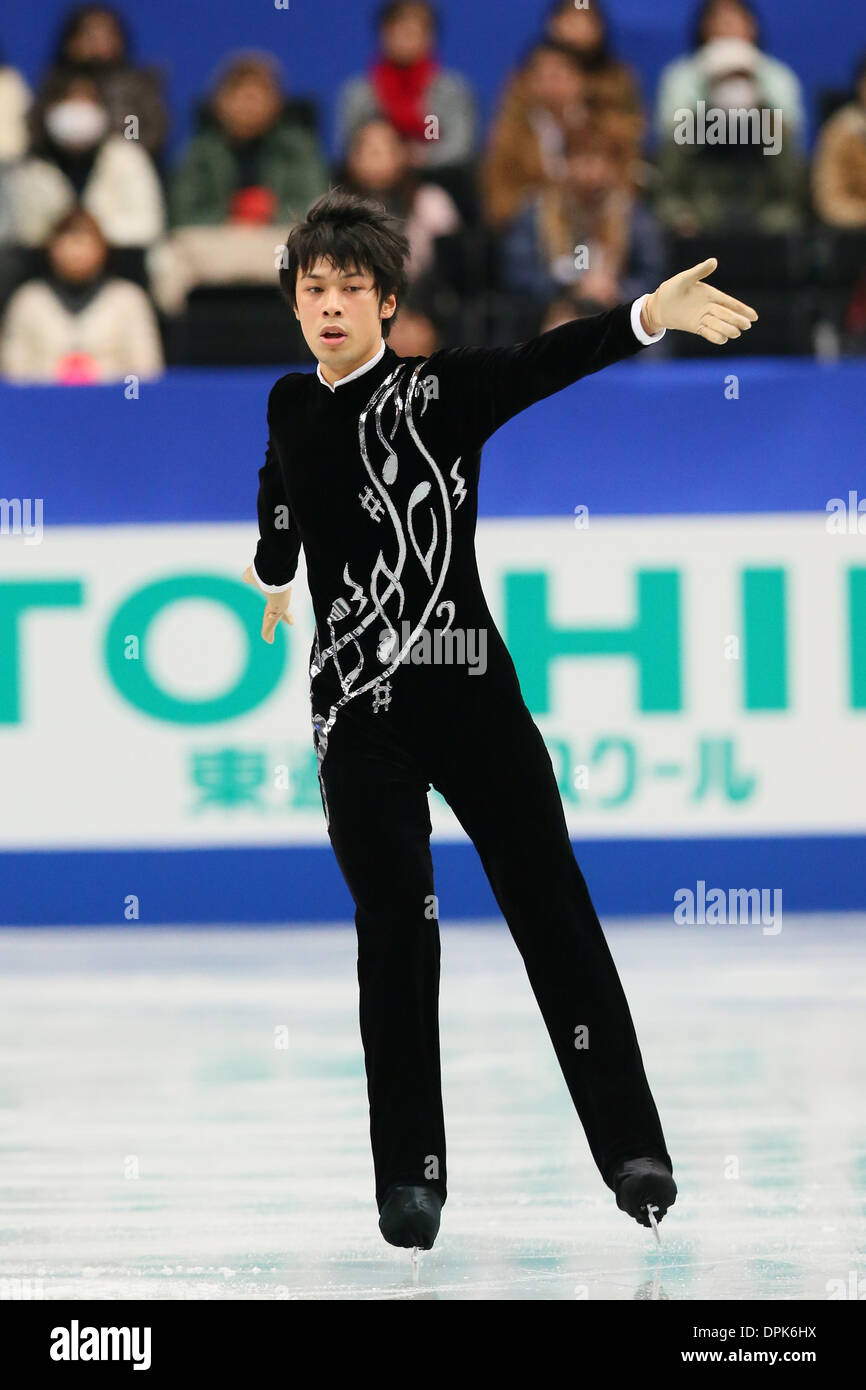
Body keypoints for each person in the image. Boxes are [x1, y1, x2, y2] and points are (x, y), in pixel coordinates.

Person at [242, 188, 757, 1250]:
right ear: (294, 306)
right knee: (395, 937)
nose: (329, 306)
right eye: (312, 290)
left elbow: (542, 363)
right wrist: (273, 569)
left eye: (348, 289)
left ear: (387, 301)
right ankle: (410, 1178)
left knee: (549, 908)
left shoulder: (440, 392)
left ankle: (630, 1147)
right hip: (355, 710)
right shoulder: (290, 402)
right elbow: (282, 489)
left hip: (469, 694)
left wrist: (644, 317)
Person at [0, 206, 163, 383]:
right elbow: (12, 373)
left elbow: (147, 373)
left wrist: (98, 380)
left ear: (102, 248)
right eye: (67, 241)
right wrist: (59, 379)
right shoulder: (28, 300)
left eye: (84, 242)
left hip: (115, 404)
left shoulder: (129, 299)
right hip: (43, 405)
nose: (76, 252)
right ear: (51, 248)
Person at [11, 71, 165, 247]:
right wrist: (62, 240)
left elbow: (148, 227)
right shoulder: (31, 167)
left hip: (119, 264)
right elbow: (22, 232)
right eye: (68, 100)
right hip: (42, 268)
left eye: (87, 100)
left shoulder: (127, 156)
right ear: (49, 109)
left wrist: (92, 234)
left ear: (104, 109)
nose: (78, 110)